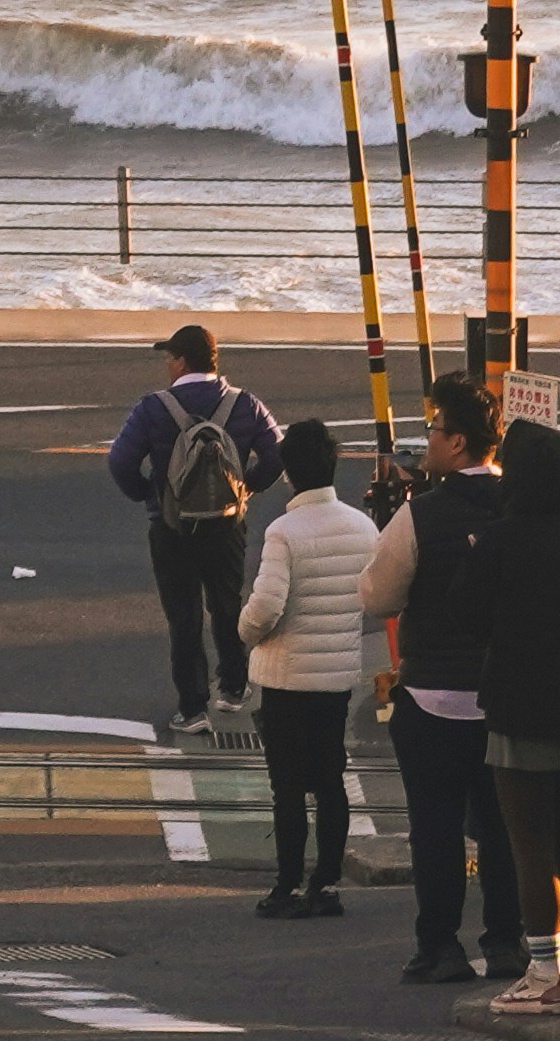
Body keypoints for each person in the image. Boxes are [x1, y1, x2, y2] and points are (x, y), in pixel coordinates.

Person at [362, 380, 509, 984]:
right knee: (504, 827)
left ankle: (440, 946)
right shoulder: (521, 505)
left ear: (457, 442)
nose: (426, 440)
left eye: (434, 430)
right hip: (505, 695)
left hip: (432, 696)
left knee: (437, 826)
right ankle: (507, 943)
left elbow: (379, 596)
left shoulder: (418, 514)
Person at [473, 416, 560, 1015]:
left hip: (519, 707)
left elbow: (463, 606)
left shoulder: (503, 538)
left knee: (527, 842)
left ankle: (541, 971)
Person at [107, 326, 282, 734]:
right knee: (226, 605)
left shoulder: (152, 408)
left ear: (181, 361)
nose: (167, 365)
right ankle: (234, 688)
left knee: (183, 615)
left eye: (169, 358)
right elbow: (277, 453)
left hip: (172, 528)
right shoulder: (246, 404)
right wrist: (247, 487)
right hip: (226, 525)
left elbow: (120, 462)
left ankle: (192, 708)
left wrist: (150, 497)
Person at [238, 417, 373, 922]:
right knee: (330, 778)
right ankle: (327, 883)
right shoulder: (363, 526)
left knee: (288, 786)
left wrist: (244, 632)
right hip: (336, 678)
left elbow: (266, 608)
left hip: (287, 678)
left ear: (289, 474)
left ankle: (288, 885)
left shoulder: (285, 532)